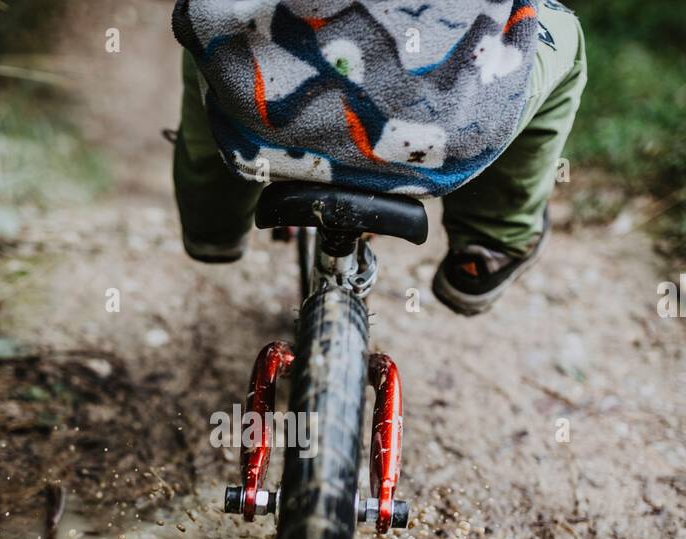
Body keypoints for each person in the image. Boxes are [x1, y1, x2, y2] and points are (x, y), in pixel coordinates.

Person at [170, 0, 586, 315]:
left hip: (267, 92)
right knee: (563, 30)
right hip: (446, 122)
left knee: (212, 23)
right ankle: (489, 243)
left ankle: (214, 224)